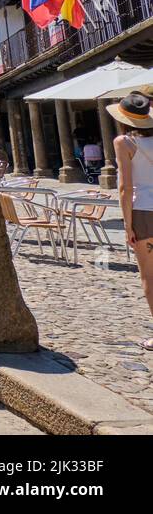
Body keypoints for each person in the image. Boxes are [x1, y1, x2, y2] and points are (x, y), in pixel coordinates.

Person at [107, 89, 153, 351]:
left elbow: (125, 187)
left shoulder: (124, 142)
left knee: (149, 276)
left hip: (144, 211)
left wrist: (127, 224)